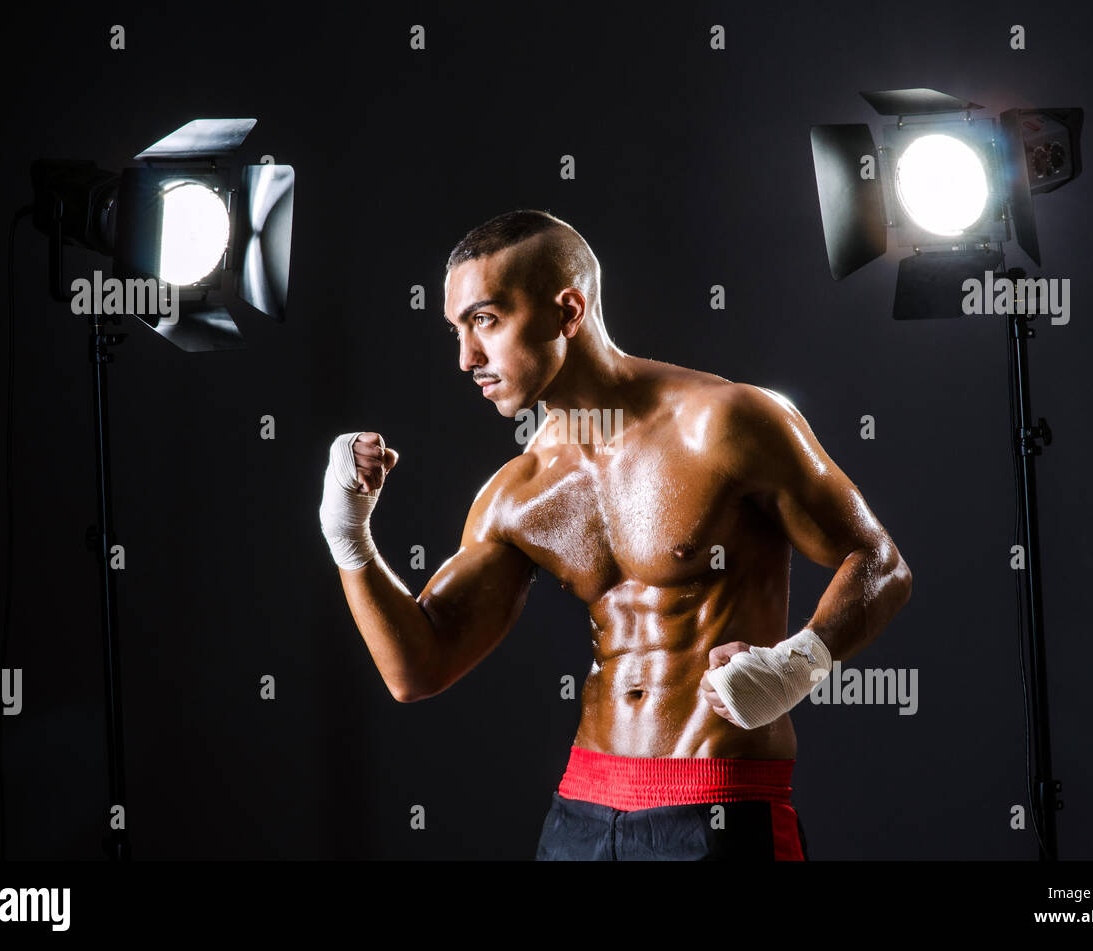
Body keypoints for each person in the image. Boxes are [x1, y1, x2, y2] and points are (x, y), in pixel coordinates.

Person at [319, 209, 912, 860]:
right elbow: (418, 667)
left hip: (717, 803)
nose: (467, 358)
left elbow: (879, 562)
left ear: (567, 311)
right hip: (580, 812)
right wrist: (349, 536)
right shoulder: (517, 491)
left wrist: (799, 664)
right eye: (456, 330)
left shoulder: (724, 423)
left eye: (485, 320)